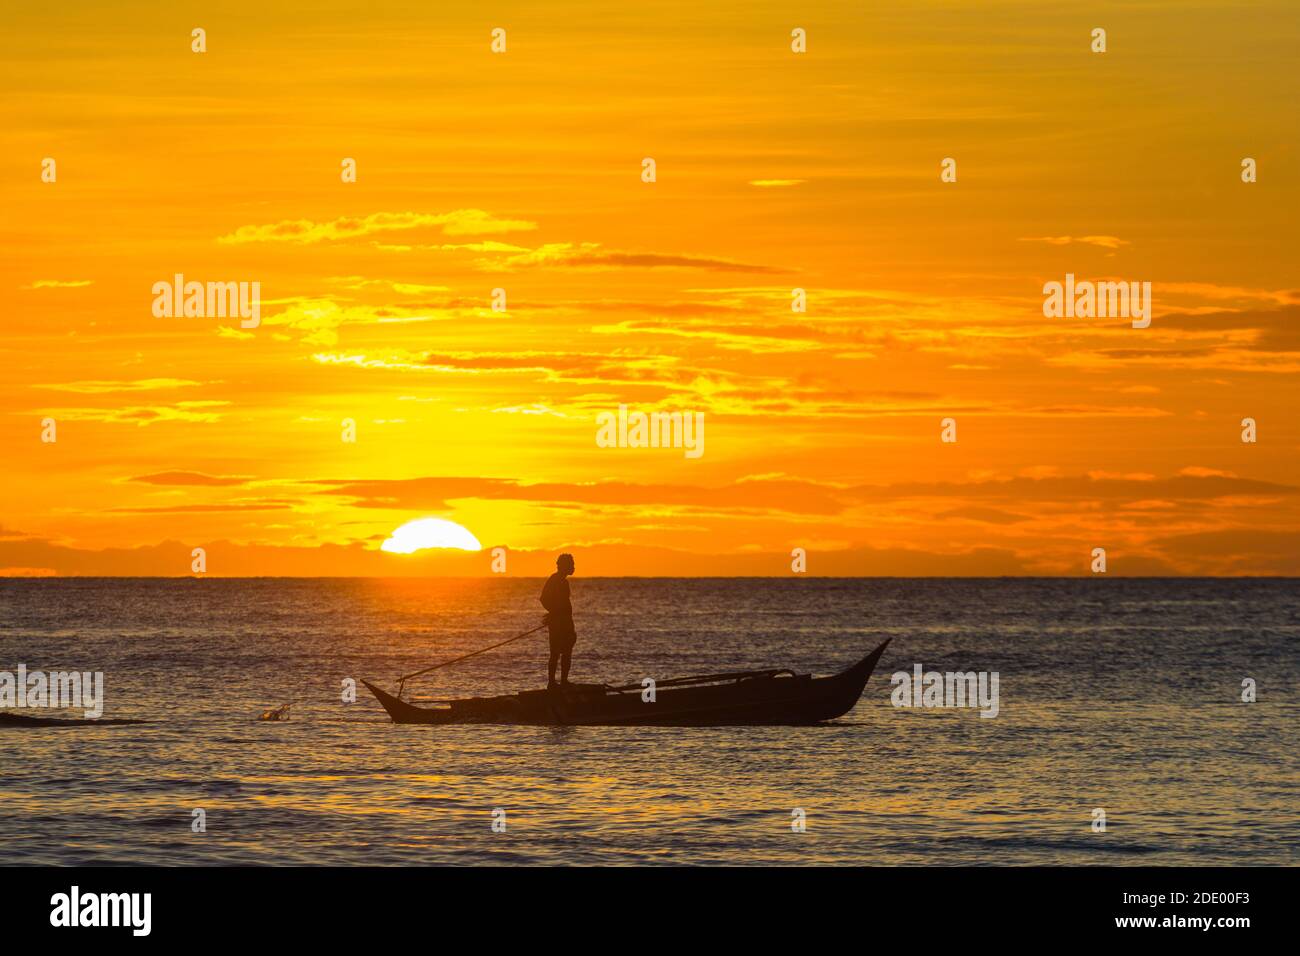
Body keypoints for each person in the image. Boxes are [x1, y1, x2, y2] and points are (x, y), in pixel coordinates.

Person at [540, 553, 577, 688]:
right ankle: (552, 682)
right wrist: (554, 612)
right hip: (558, 623)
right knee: (555, 652)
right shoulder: (554, 580)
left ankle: (563, 681)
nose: (573, 567)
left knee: (566, 651)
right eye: (571, 565)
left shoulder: (563, 581)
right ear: (564, 566)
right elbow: (543, 599)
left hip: (566, 622)